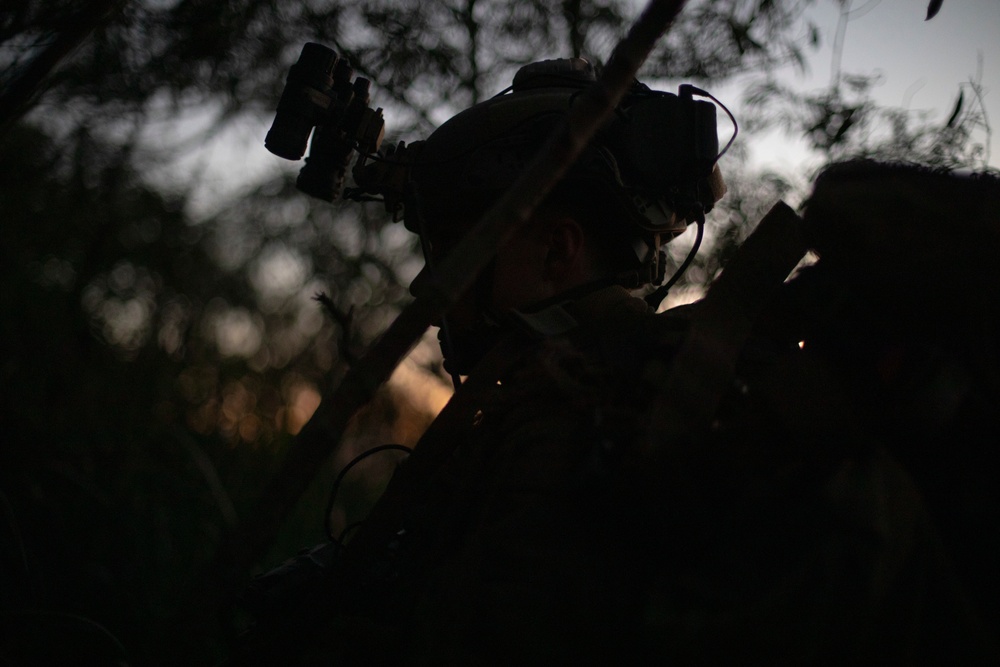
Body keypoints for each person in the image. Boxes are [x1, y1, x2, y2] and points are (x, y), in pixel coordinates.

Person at [235, 60, 999, 665]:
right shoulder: (637, 387)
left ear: (558, 249)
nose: (430, 284)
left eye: (455, 248)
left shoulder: (583, 414)